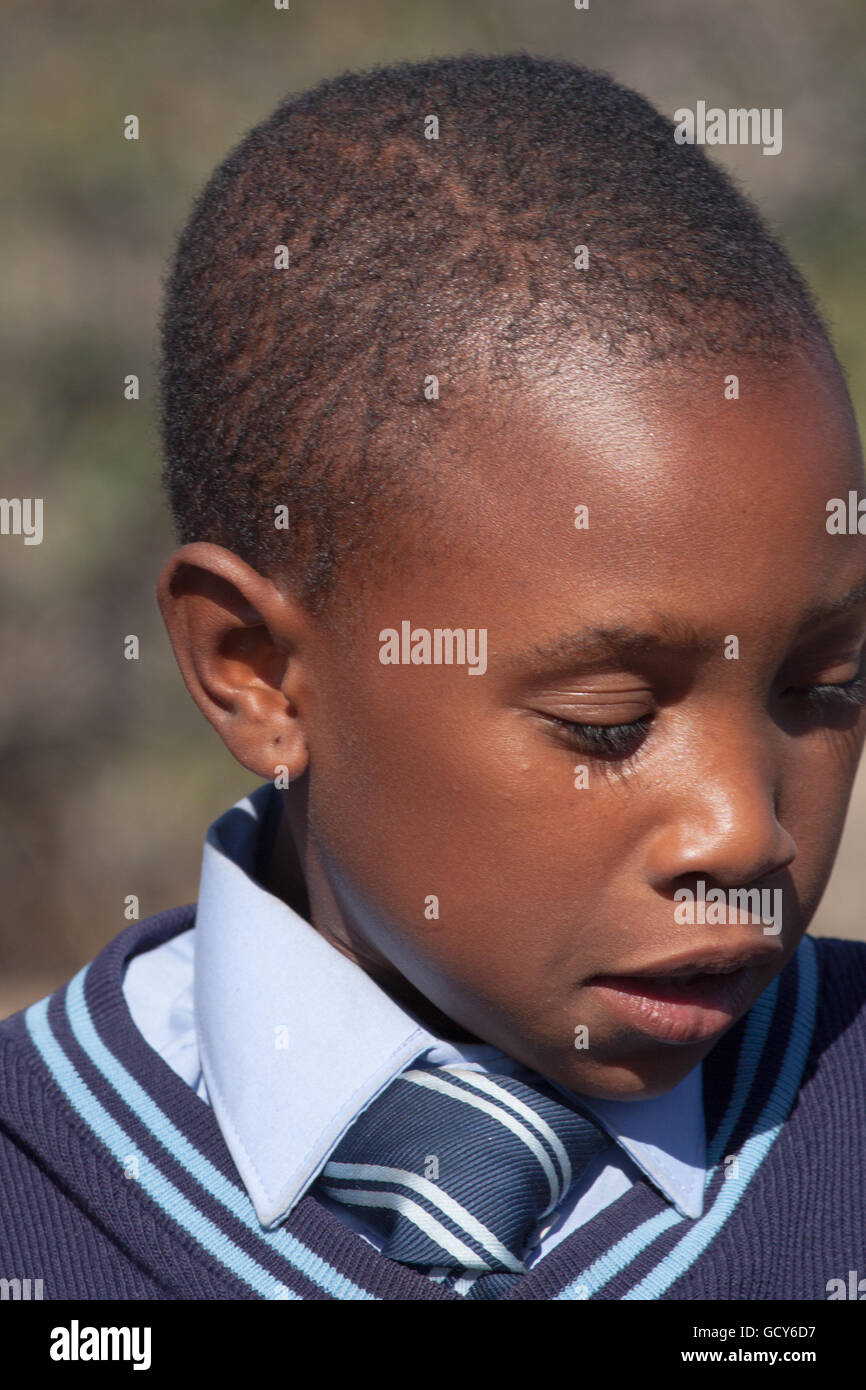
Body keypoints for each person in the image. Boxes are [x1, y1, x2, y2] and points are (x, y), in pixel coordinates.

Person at [2, 54, 865, 1300]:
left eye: (824, 685)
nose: (744, 830)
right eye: (604, 723)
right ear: (257, 675)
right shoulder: (40, 1204)